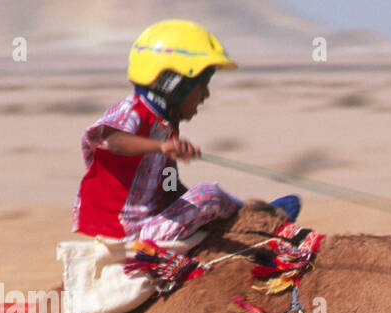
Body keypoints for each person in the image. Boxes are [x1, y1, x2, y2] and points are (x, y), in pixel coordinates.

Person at [72, 19, 300, 245]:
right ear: (175, 86)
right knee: (208, 194)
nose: (206, 95)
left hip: (151, 226)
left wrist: (190, 204)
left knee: (205, 202)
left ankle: (250, 222)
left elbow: (168, 187)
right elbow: (114, 141)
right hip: (124, 233)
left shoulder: (167, 129)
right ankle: (258, 220)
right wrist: (161, 148)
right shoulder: (132, 111)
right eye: (202, 85)